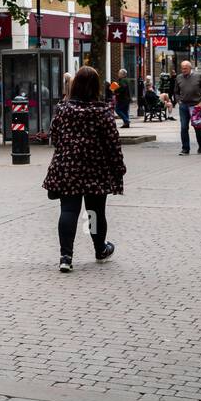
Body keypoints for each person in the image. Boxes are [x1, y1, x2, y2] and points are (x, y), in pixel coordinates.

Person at [42, 66, 125, 272]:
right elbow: (112, 143)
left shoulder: (63, 109)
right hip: (95, 168)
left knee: (68, 210)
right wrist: (118, 167)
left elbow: (55, 135)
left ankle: (65, 256)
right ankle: (99, 249)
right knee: (94, 212)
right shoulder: (102, 111)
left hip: (68, 167)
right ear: (96, 87)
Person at [172, 60, 201, 156]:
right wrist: (178, 100)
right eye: (182, 68)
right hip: (184, 105)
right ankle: (185, 149)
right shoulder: (179, 78)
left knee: (197, 127)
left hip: (195, 106)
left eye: (185, 68)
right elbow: (176, 91)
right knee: (184, 127)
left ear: (190, 68)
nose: (183, 70)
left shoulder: (198, 77)